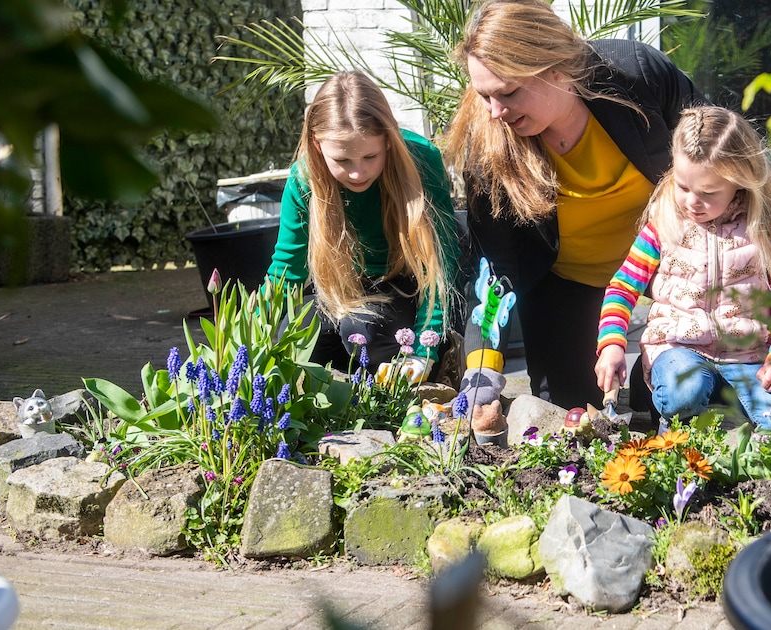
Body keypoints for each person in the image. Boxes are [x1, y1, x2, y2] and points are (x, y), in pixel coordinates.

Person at [445, 0, 706, 410]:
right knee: (568, 406)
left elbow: (724, 160)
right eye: (484, 96)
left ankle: (650, 375)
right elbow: (496, 269)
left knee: (687, 393)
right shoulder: (489, 144)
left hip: (669, 270)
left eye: (508, 93)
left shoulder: (636, 75)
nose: (494, 112)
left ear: (557, 68)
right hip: (566, 284)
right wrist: (484, 366)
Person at [594, 106, 771, 433]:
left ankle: (734, 408)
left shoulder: (762, 231)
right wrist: (612, 343)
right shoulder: (663, 224)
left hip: (746, 358)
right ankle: (671, 408)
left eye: (708, 193)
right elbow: (622, 288)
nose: (691, 202)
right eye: (683, 186)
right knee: (684, 394)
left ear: (739, 182)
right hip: (678, 350)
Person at [267, 71, 460, 383]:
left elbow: (440, 265)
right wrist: (245, 340)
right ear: (317, 146)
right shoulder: (304, 179)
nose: (358, 173)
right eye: (343, 160)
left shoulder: (422, 159)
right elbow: (287, 270)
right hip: (343, 288)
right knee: (299, 336)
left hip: (405, 285)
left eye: (370, 156)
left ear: (387, 139)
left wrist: (427, 347)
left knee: (364, 330)